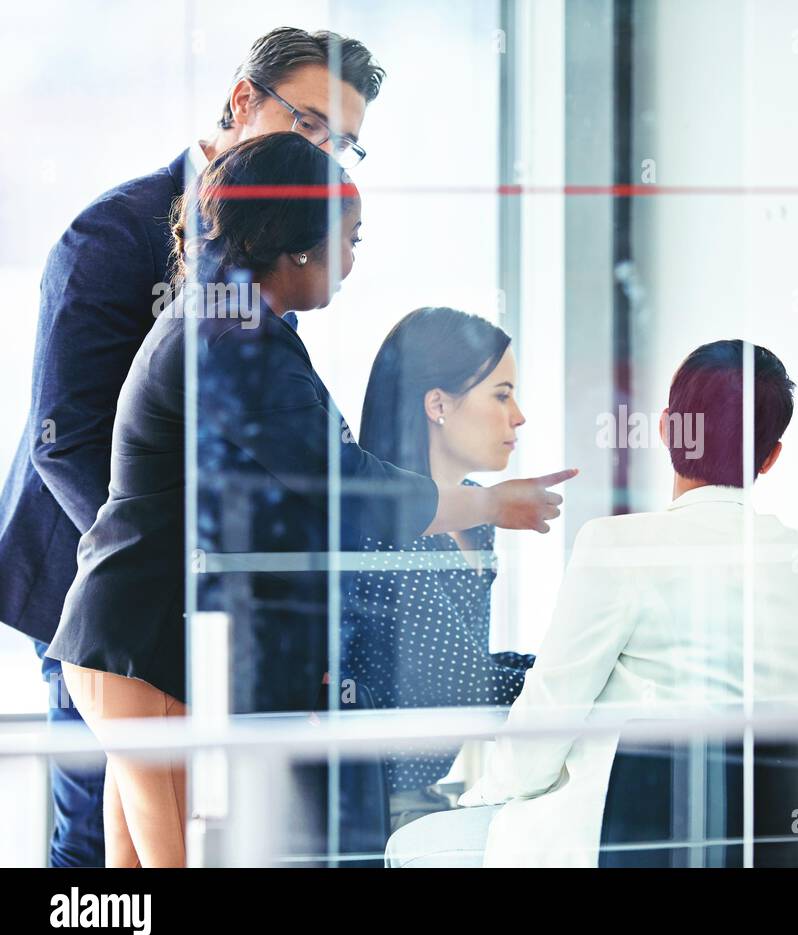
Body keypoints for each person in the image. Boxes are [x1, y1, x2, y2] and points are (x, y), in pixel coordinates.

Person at [44, 132, 574, 868]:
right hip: (137, 637)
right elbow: (342, 485)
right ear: (297, 246)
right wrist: (489, 506)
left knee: (133, 876)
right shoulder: (235, 334)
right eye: (347, 241)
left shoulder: (226, 319)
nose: (353, 262)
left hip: (132, 635)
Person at [0, 25, 388, 868]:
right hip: (94, 583)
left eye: (345, 141)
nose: (330, 153)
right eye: (312, 124)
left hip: (184, 598)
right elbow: (63, 441)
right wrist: (151, 562)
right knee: (97, 837)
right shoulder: (113, 232)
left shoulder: (275, 250)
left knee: (165, 830)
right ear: (244, 100)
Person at [385, 340, 798, 868]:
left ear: (666, 428)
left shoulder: (618, 546)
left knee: (408, 846)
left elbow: (549, 717)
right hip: (748, 850)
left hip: (609, 843)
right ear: (772, 456)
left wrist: (481, 798)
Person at [341, 307, 540, 833]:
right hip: (370, 811)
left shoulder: (477, 515)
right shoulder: (385, 526)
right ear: (438, 405)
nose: (518, 416)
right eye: (501, 394)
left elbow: (466, 668)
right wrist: (585, 676)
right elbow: (463, 685)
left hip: (426, 797)